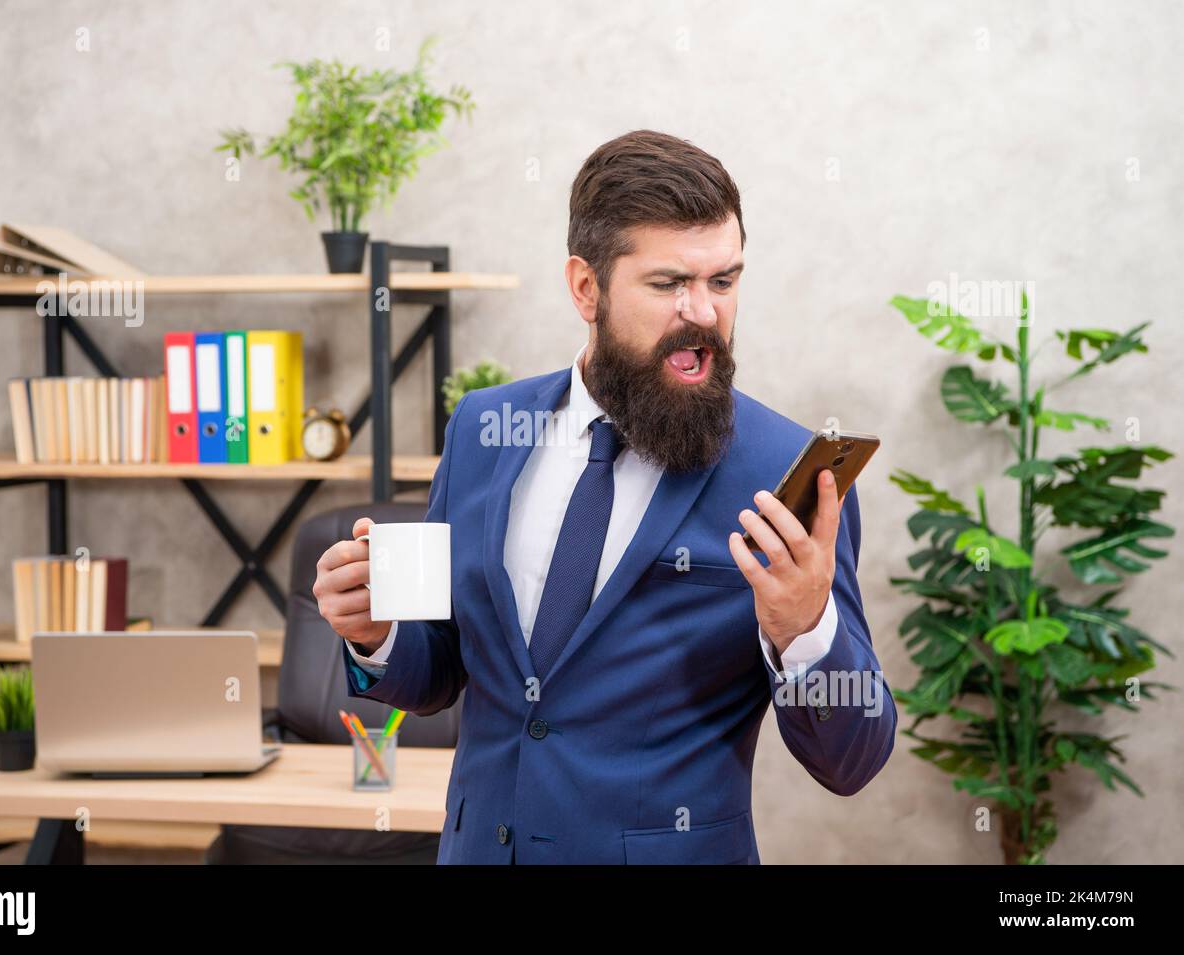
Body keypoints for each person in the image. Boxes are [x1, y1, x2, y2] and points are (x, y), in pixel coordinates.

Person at [313, 129, 896, 864]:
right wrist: (377, 631)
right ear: (586, 287)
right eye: (668, 284)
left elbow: (854, 759)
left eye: (723, 280)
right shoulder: (483, 429)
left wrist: (807, 629)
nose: (705, 313)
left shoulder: (789, 472)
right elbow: (440, 669)